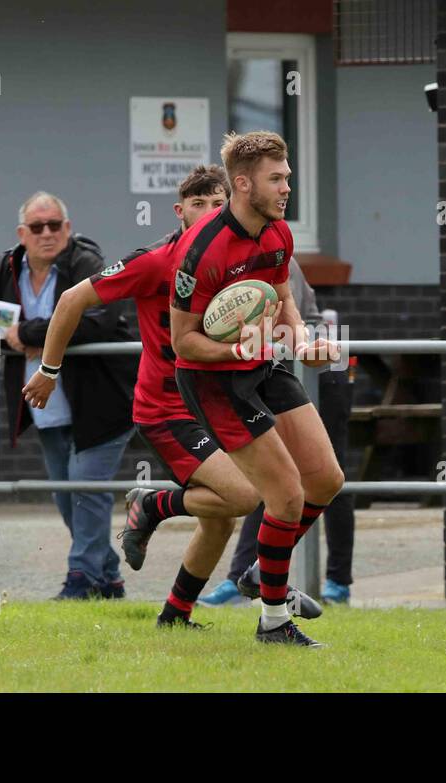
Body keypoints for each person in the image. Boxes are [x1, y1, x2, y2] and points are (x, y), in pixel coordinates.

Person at [23, 166, 321, 627]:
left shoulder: (236, 256)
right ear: (180, 213)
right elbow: (70, 301)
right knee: (243, 496)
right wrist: (49, 369)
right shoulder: (157, 261)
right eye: (196, 205)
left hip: (221, 396)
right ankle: (154, 505)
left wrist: (291, 337)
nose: (207, 213)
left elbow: (278, 305)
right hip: (167, 409)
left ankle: (175, 614)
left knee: (223, 514)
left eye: (215, 204)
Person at [169, 131, 344, 647]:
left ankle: (259, 573)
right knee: (285, 495)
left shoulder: (279, 233)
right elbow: (184, 344)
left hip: (265, 366)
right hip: (214, 382)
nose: (287, 186)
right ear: (242, 183)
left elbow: (285, 298)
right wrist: (238, 350)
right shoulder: (200, 252)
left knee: (326, 480)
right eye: (277, 178)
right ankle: (273, 621)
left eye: (287, 176)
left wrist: (302, 339)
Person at [0, 192, 137, 600]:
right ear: (22, 234)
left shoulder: (87, 263)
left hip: (102, 401)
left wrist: (29, 333)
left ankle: (80, 581)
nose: (48, 234)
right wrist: (10, 337)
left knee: (85, 489)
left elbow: (99, 319)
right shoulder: (4, 269)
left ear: (68, 228)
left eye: (55, 225)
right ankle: (109, 577)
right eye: (38, 227)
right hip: (45, 406)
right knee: (67, 498)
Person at [202, 258, 357, 605]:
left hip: (316, 367)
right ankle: (246, 574)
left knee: (329, 477)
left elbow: (291, 323)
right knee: (274, 476)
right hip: (274, 366)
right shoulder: (213, 252)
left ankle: (337, 581)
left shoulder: (272, 252)